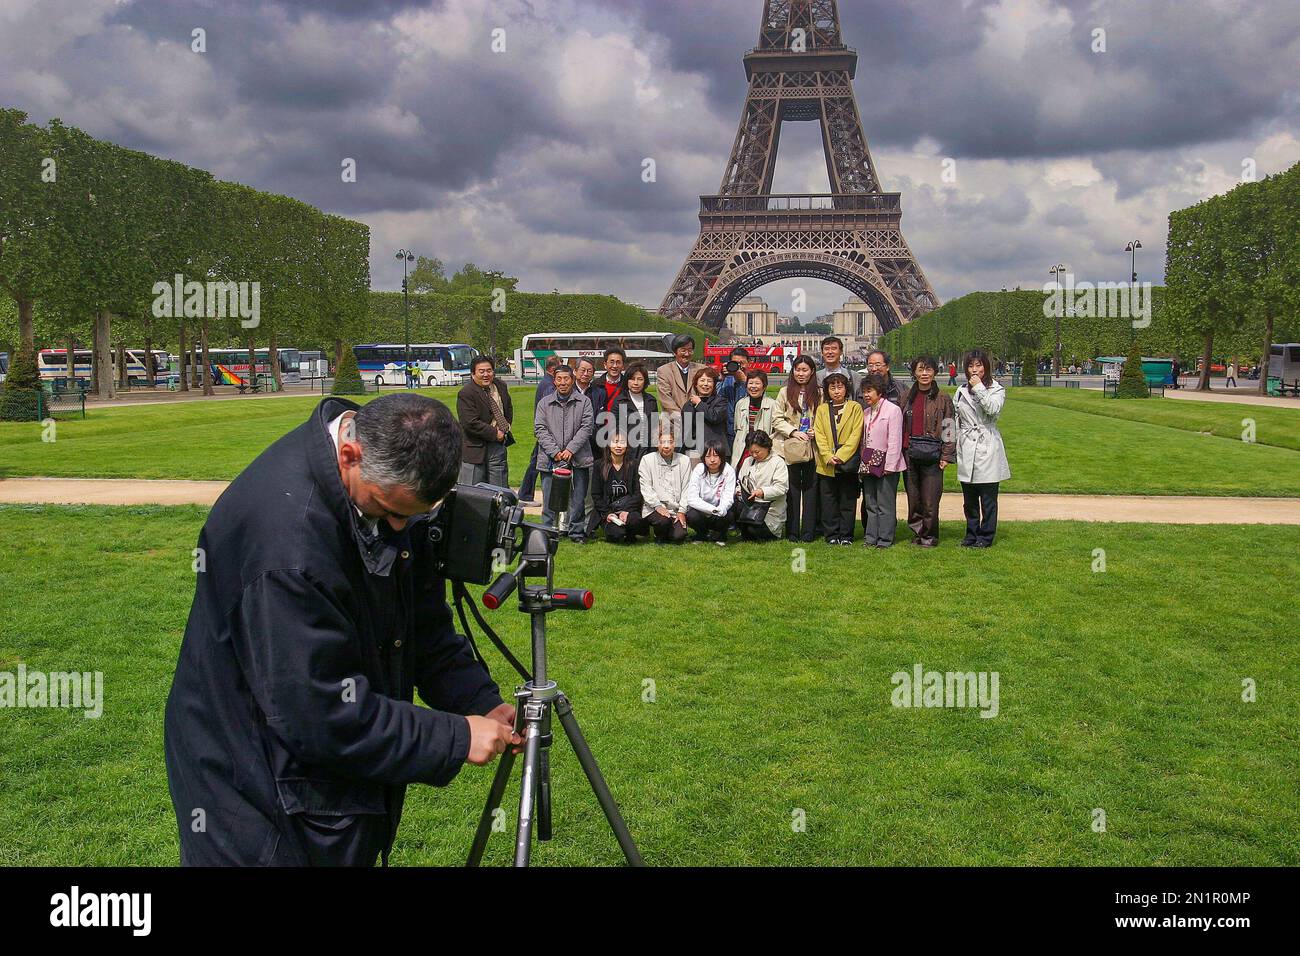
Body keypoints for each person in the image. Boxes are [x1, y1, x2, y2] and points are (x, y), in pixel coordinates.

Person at [164, 393, 519, 866]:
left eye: (414, 517)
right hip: (252, 787)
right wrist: (453, 737)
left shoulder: (380, 469)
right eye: (391, 512)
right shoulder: (286, 548)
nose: (400, 527)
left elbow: (420, 624)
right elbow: (317, 712)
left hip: (318, 782)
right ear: (351, 454)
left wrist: (478, 700)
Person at [954, 348, 1010, 548]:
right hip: (967, 444)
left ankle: (985, 536)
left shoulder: (997, 389)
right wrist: (950, 443)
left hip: (987, 445)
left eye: (978, 365)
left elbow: (993, 409)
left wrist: (978, 387)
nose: (974, 369)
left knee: (987, 499)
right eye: (971, 365)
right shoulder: (960, 390)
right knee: (969, 500)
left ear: (986, 367)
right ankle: (971, 533)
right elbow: (952, 419)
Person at [534, 364, 594, 542]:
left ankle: (576, 532)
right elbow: (540, 429)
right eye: (559, 379)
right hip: (550, 458)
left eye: (566, 379)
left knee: (578, 499)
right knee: (549, 499)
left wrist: (570, 450)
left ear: (572, 380)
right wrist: (555, 452)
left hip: (579, 457)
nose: (562, 383)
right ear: (554, 381)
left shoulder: (584, 402)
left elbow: (586, 427)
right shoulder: (544, 403)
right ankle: (547, 532)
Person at [902, 355, 956, 548]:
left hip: (933, 453)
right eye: (920, 370)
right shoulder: (906, 397)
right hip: (909, 452)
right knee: (914, 498)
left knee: (930, 499)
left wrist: (947, 455)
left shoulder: (943, 398)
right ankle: (918, 534)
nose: (924, 374)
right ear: (914, 373)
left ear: (934, 372)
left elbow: (949, 427)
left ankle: (930, 536)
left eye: (928, 370)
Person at [772, 354, 820, 542]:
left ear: (812, 372)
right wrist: (793, 432)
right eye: (797, 370)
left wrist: (817, 430)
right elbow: (776, 419)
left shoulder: (820, 393)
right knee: (791, 491)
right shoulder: (784, 392)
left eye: (804, 370)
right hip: (788, 447)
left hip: (811, 448)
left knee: (810, 491)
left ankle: (808, 532)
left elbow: (823, 417)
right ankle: (792, 532)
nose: (801, 373)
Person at [814, 371, 863, 545]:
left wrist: (841, 456)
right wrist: (827, 455)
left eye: (839, 387)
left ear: (846, 389)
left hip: (847, 462)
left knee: (847, 500)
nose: (836, 391)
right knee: (829, 501)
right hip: (826, 463)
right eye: (832, 387)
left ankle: (846, 535)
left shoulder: (855, 408)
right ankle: (831, 535)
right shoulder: (821, 409)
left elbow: (856, 434)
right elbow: (819, 434)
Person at [857, 372, 904, 548]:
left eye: (870, 391)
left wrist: (890, 466)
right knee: (870, 503)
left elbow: (895, 441)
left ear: (880, 391)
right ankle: (870, 538)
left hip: (886, 464)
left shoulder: (893, 410)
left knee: (885, 504)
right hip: (869, 462)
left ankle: (884, 539)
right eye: (864, 391)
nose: (866, 395)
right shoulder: (866, 412)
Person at [456, 355, 513, 487]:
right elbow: (470, 423)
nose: (486, 374)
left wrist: (506, 427)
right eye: (481, 371)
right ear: (473, 374)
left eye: (489, 370)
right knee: (473, 493)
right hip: (474, 449)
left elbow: (508, 408)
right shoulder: (466, 393)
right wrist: (495, 433)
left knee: (499, 491)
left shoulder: (500, 386)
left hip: (498, 446)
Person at [587, 432, 647, 544]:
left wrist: (626, 511)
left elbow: (638, 494)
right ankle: (620, 531)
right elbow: (596, 495)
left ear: (627, 445)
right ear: (609, 445)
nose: (618, 446)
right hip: (609, 510)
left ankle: (630, 532)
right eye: (615, 442)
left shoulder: (634, 464)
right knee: (616, 534)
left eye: (622, 442)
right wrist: (608, 513)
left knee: (635, 521)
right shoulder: (599, 465)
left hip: (629, 509)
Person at [516, 355, 561, 503]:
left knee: (535, 462)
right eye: (559, 366)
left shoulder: (545, 382)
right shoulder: (549, 385)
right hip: (548, 432)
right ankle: (525, 494)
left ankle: (525, 494)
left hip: (543, 431)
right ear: (552, 368)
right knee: (537, 463)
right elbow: (550, 410)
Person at [638, 422, 692, 544]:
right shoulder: (647, 460)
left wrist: (682, 511)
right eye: (662, 442)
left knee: (679, 536)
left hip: (676, 509)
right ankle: (660, 535)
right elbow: (646, 487)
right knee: (663, 521)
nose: (666, 446)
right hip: (654, 508)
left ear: (675, 443)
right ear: (657, 443)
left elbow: (687, 488)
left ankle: (671, 531)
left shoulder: (684, 460)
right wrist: (658, 506)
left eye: (670, 442)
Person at [734, 429, 788, 541]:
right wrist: (739, 491)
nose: (754, 455)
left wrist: (762, 492)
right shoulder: (747, 461)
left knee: (753, 529)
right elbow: (740, 482)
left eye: (757, 452)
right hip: (750, 507)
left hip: (770, 510)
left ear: (767, 447)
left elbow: (781, 488)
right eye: (751, 452)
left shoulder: (778, 462)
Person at [685, 439, 738, 545]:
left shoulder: (729, 471)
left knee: (728, 514)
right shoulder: (699, 469)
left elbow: (728, 497)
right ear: (703, 458)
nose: (712, 460)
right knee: (691, 515)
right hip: (703, 511)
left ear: (722, 457)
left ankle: (720, 535)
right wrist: (712, 510)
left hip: (719, 512)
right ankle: (702, 534)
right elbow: (692, 498)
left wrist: (721, 509)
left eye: (716, 456)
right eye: (708, 456)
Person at [609, 361, 659, 457]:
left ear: (645, 381)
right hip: (627, 452)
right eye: (632, 379)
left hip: (648, 451)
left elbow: (654, 427)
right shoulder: (620, 401)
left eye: (640, 379)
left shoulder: (651, 401)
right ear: (627, 380)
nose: (636, 383)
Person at [731, 368, 778, 466]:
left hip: (763, 449)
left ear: (764, 386)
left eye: (757, 383)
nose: (753, 387)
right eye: (750, 383)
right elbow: (736, 428)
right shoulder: (740, 404)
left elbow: (775, 431)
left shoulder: (773, 405)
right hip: (743, 448)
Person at [682, 366, 729, 463]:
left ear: (714, 384)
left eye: (709, 381)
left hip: (716, 451)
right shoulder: (689, 404)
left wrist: (699, 404)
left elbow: (714, 417)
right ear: (696, 384)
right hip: (695, 451)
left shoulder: (721, 401)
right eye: (702, 380)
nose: (705, 384)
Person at [655, 334, 705, 418]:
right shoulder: (664, 371)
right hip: (673, 422)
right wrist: (681, 418)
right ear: (675, 352)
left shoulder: (701, 369)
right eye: (683, 350)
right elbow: (665, 399)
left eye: (690, 350)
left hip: (697, 421)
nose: (687, 354)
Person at [717, 347, 751, 446]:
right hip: (726, 430)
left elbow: (760, 398)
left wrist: (744, 381)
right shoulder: (726, 380)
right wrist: (721, 377)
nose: (739, 366)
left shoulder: (753, 379)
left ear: (748, 362)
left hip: (746, 431)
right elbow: (716, 397)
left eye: (742, 363)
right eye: (736, 363)